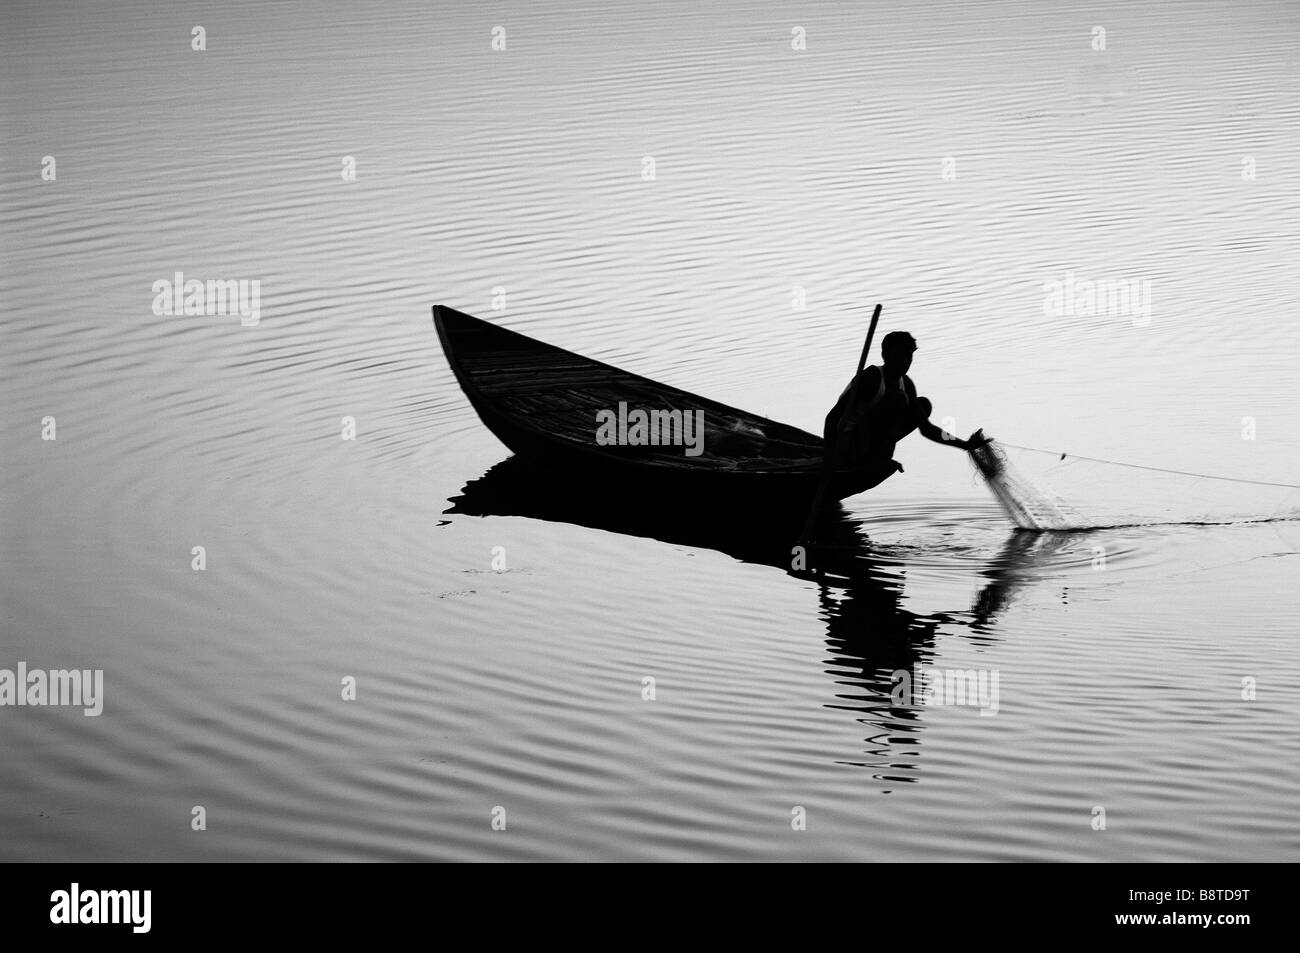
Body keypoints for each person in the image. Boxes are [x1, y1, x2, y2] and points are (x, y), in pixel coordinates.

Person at [823, 330, 982, 483]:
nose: (905, 361)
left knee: (923, 405)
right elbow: (832, 419)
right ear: (885, 355)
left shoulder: (906, 384)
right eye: (899, 356)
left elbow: (926, 429)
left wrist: (965, 445)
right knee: (897, 399)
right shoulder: (870, 378)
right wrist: (830, 460)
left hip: (875, 443)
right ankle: (873, 456)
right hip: (848, 445)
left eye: (909, 356)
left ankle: (880, 455)